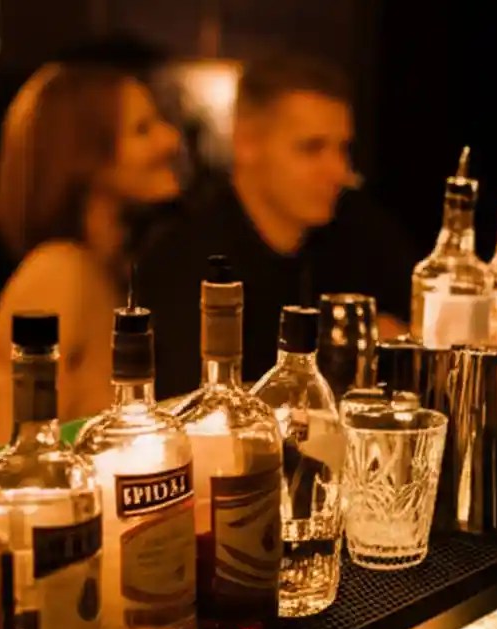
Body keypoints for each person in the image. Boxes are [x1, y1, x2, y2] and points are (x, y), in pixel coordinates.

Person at [136, 47, 417, 397]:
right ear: (247, 144)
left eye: (342, 149)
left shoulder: (359, 230)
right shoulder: (183, 260)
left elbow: (420, 334)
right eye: (312, 148)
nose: (339, 171)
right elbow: (192, 409)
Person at [0, 63, 182, 452]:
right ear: (84, 157)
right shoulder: (59, 271)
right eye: (143, 129)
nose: (170, 139)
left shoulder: (105, 270)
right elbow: (5, 452)